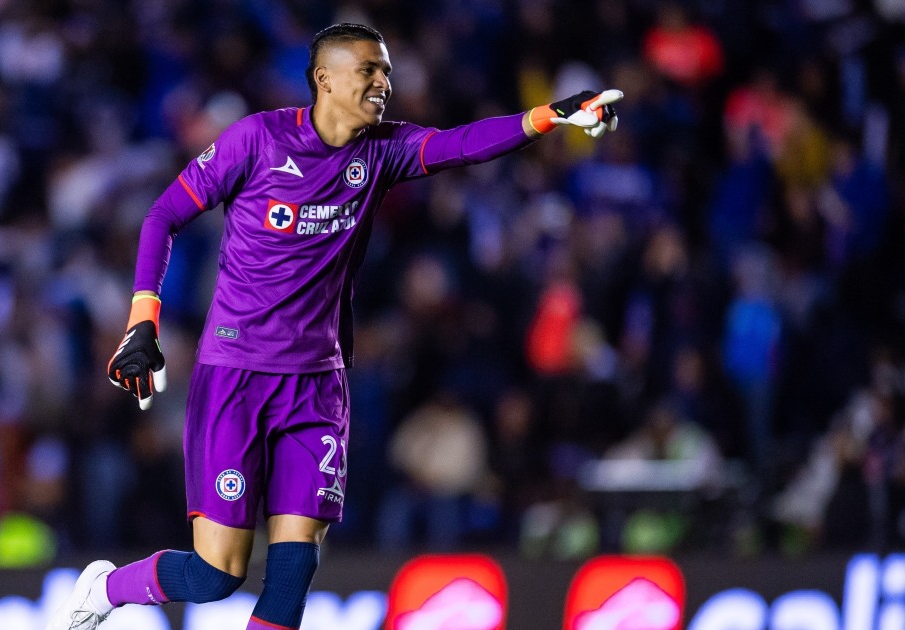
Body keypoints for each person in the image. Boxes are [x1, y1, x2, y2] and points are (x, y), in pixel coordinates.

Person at [47, 22, 621, 630]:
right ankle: (107, 588)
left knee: (292, 576)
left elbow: (463, 144)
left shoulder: (382, 150)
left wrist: (549, 116)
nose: (384, 82)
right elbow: (163, 215)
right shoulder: (256, 140)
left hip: (317, 391)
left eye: (387, 70)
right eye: (369, 69)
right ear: (324, 78)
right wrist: (143, 322)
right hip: (236, 380)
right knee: (218, 575)